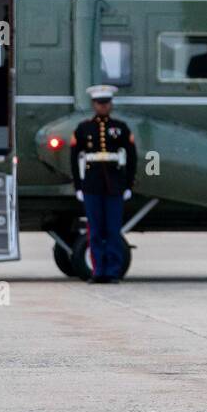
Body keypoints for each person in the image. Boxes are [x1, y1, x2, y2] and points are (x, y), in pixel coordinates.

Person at [70, 85, 138, 283]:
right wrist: (78, 186)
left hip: (114, 184)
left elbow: (132, 158)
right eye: (100, 103)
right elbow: (75, 159)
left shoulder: (120, 128)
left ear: (111, 104)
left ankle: (113, 271)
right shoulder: (84, 129)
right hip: (92, 185)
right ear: (94, 104)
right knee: (96, 231)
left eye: (106, 103)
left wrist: (128, 185)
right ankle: (98, 271)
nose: (103, 106)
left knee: (113, 230)